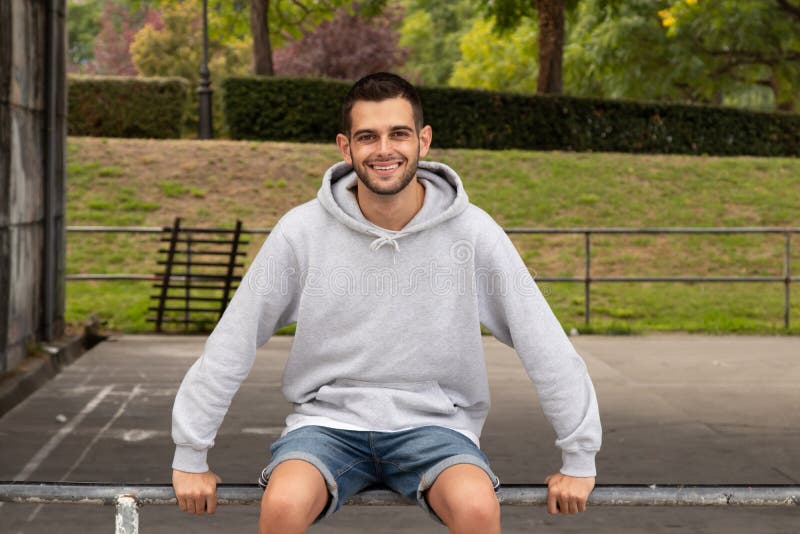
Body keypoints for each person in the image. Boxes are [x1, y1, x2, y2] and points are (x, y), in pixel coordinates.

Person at [171, 72, 602, 534]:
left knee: (478, 508)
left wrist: (579, 455)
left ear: (423, 140)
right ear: (345, 147)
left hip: (436, 426)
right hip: (327, 425)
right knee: (282, 504)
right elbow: (234, 338)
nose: (384, 149)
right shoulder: (301, 231)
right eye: (367, 137)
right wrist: (191, 451)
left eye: (398, 134)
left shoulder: (473, 233)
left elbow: (542, 340)